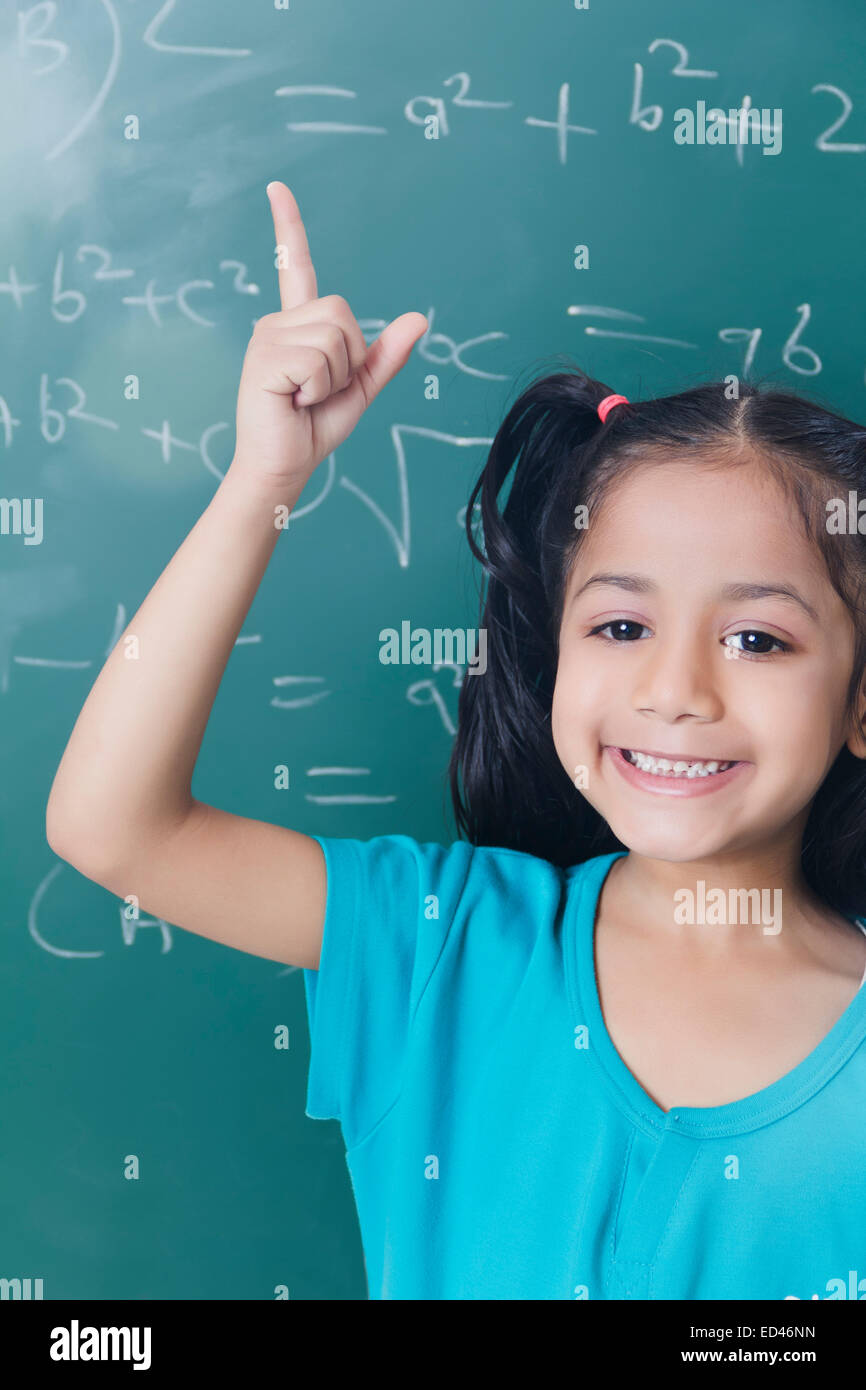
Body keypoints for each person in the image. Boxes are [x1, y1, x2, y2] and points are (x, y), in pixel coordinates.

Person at [47, 182, 866, 1301]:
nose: (674, 691)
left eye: (758, 639)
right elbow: (112, 826)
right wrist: (263, 481)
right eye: (619, 625)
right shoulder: (443, 942)